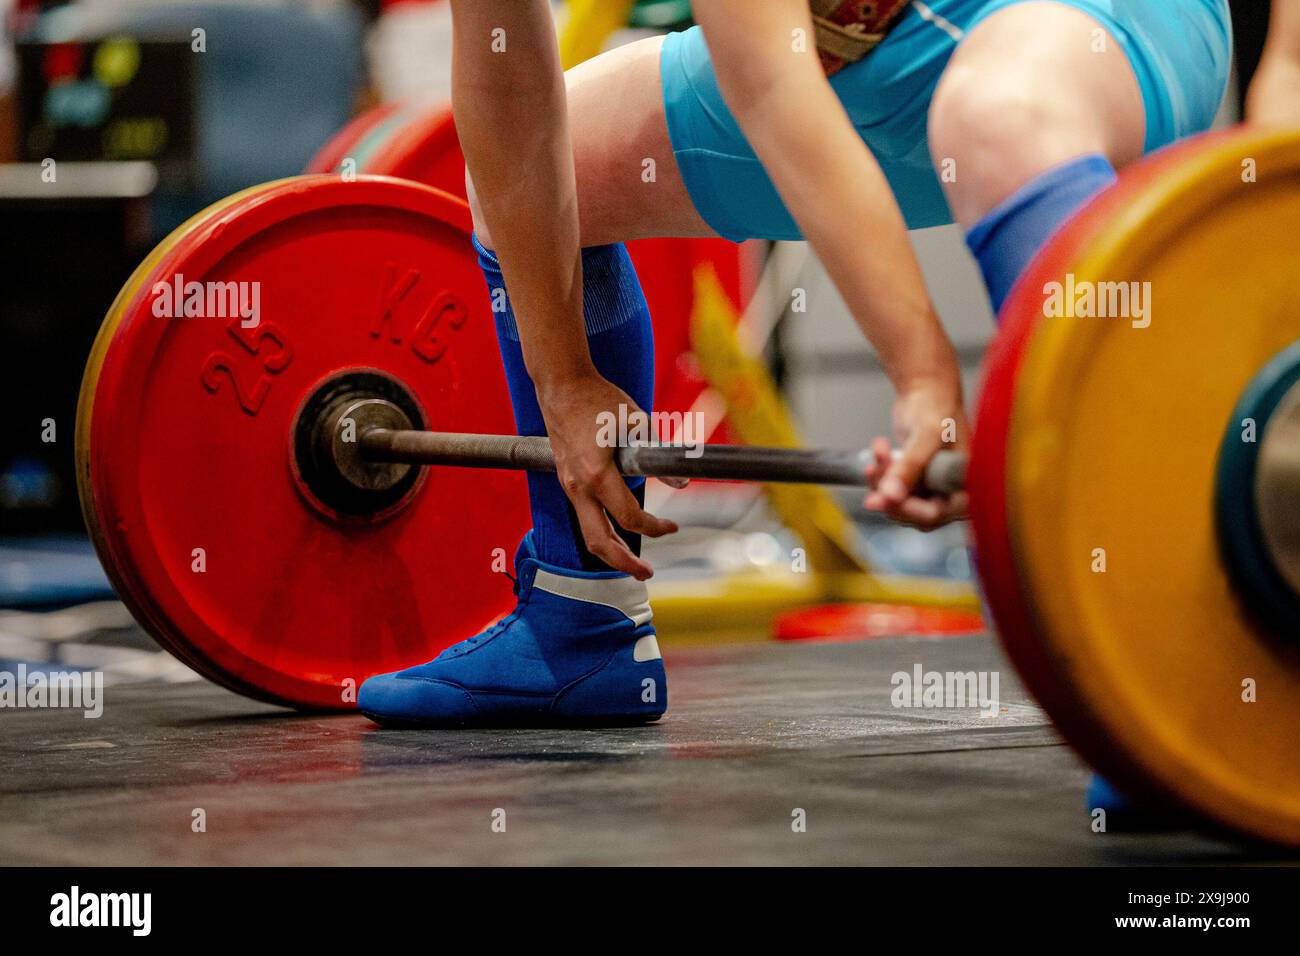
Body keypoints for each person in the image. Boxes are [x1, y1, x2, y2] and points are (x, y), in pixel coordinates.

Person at [357, 0, 1234, 728]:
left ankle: (1165, 649)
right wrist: (565, 383)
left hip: (1081, 29)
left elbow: (777, 90)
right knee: (547, 178)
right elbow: (510, 96)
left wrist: (926, 380)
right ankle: (579, 619)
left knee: (996, 113)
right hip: (842, 63)